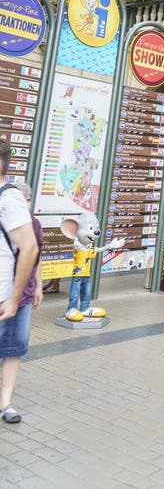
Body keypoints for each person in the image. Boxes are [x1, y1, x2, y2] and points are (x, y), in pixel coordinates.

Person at [0, 140, 40, 424]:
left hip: (7, 294)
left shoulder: (9, 200)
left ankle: (5, 402)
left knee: (12, 348)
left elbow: (31, 249)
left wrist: (15, 298)